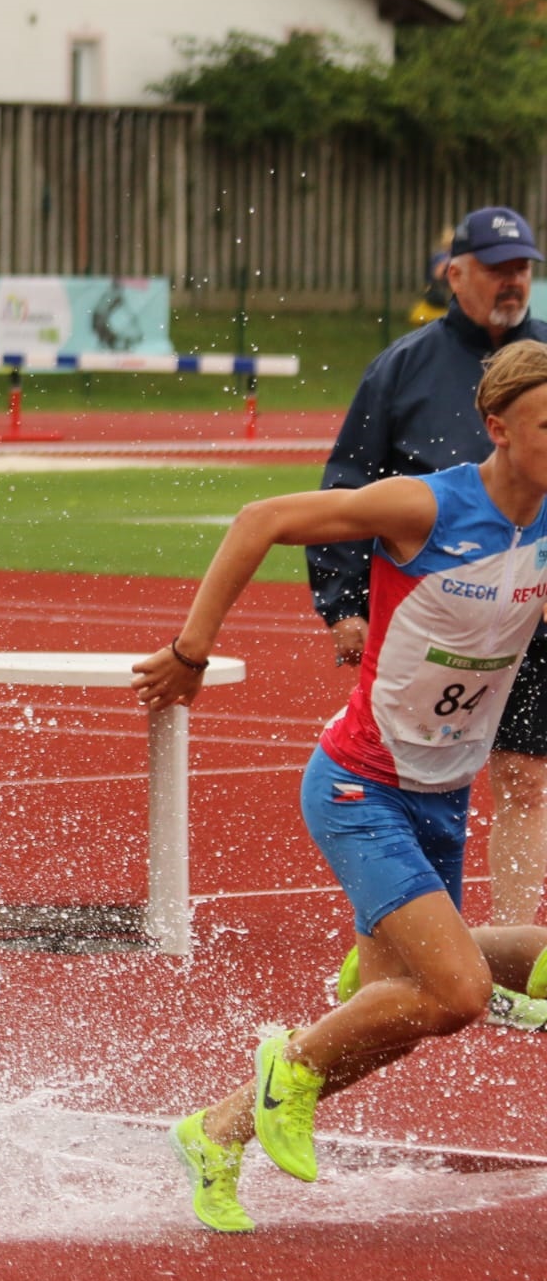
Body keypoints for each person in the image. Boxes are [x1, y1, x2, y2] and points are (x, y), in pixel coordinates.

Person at [137, 339, 547, 1234]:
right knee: (462, 993)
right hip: (361, 785)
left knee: (407, 1015)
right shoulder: (425, 505)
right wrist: (188, 653)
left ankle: (215, 1131)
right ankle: (289, 1065)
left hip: (443, 793)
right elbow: (259, 519)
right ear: (499, 427)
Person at [309, 205, 547, 931]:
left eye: (523, 268)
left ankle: (514, 947)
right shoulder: (404, 366)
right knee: (403, 771)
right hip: (429, 605)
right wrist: (342, 600)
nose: (512, 282)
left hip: (526, 596)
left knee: (527, 776)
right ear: (455, 273)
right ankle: (393, 929)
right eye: (497, 268)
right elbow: (349, 483)